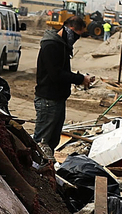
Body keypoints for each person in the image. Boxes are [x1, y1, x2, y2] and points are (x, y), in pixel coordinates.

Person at [34, 15, 95, 152]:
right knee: (41, 142)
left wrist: (81, 78)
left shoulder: (62, 45)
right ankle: (31, 168)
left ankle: (44, 169)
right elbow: (56, 74)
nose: (76, 39)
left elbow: (61, 71)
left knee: (52, 141)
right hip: (48, 100)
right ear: (70, 29)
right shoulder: (51, 46)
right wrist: (80, 79)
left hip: (58, 99)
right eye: (77, 35)